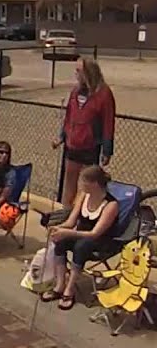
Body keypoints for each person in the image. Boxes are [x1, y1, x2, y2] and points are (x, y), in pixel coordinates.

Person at [43, 165, 120, 311]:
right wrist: (58, 228)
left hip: (100, 241)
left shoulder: (111, 205)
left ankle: (70, 289)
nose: (81, 184)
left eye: (84, 181)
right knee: (61, 241)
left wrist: (68, 233)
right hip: (81, 235)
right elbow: (71, 222)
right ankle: (60, 285)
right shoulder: (84, 196)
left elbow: (95, 233)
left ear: (94, 184)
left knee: (81, 246)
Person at [53, 57, 116, 208]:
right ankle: (65, 212)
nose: (76, 74)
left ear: (88, 72)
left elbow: (108, 123)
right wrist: (61, 137)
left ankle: (82, 214)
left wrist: (107, 150)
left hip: (90, 146)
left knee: (86, 186)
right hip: (72, 144)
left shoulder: (103, 93)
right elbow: (69, 117)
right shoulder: (75, 91)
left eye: (78, 70)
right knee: (69, 184)